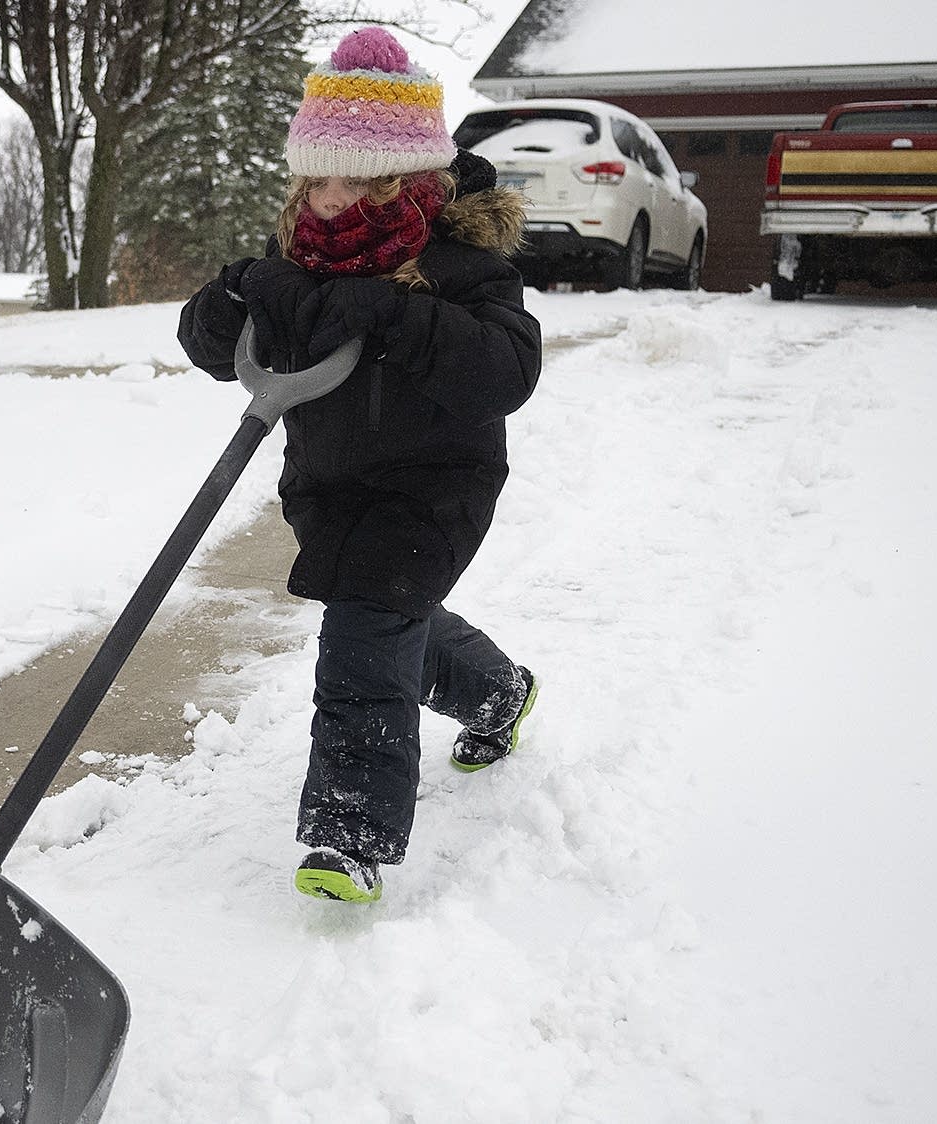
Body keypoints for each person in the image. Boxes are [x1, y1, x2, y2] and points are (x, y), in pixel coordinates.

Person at [177, 27, 542, 904]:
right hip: (329, 485)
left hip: (435, 486)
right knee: (386, 622)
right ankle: (496, 691)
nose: (331, 200)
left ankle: (349, 840)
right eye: (316, 179)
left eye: (355, 181)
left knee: (364, 637)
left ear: (411, 180)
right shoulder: (297, 258)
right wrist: (229, 301)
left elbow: (505, 371)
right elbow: (209, 348)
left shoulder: (461, 265)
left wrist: (395, 316)